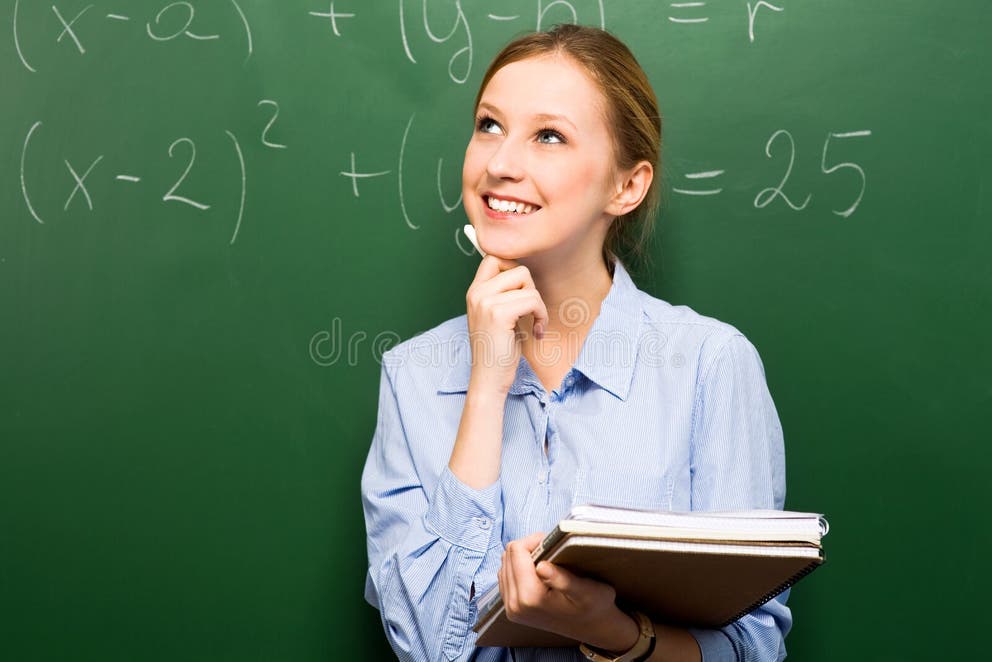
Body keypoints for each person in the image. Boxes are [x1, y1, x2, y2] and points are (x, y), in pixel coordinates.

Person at [362, 24, 789, 662]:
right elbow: (427, 647)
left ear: (627, 186)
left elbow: (755, 648)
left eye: (549, 136)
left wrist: (610, 632)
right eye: (489, 125)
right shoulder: (414, 375)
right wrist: (486, 387)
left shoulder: (710, 364)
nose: (499, 164)